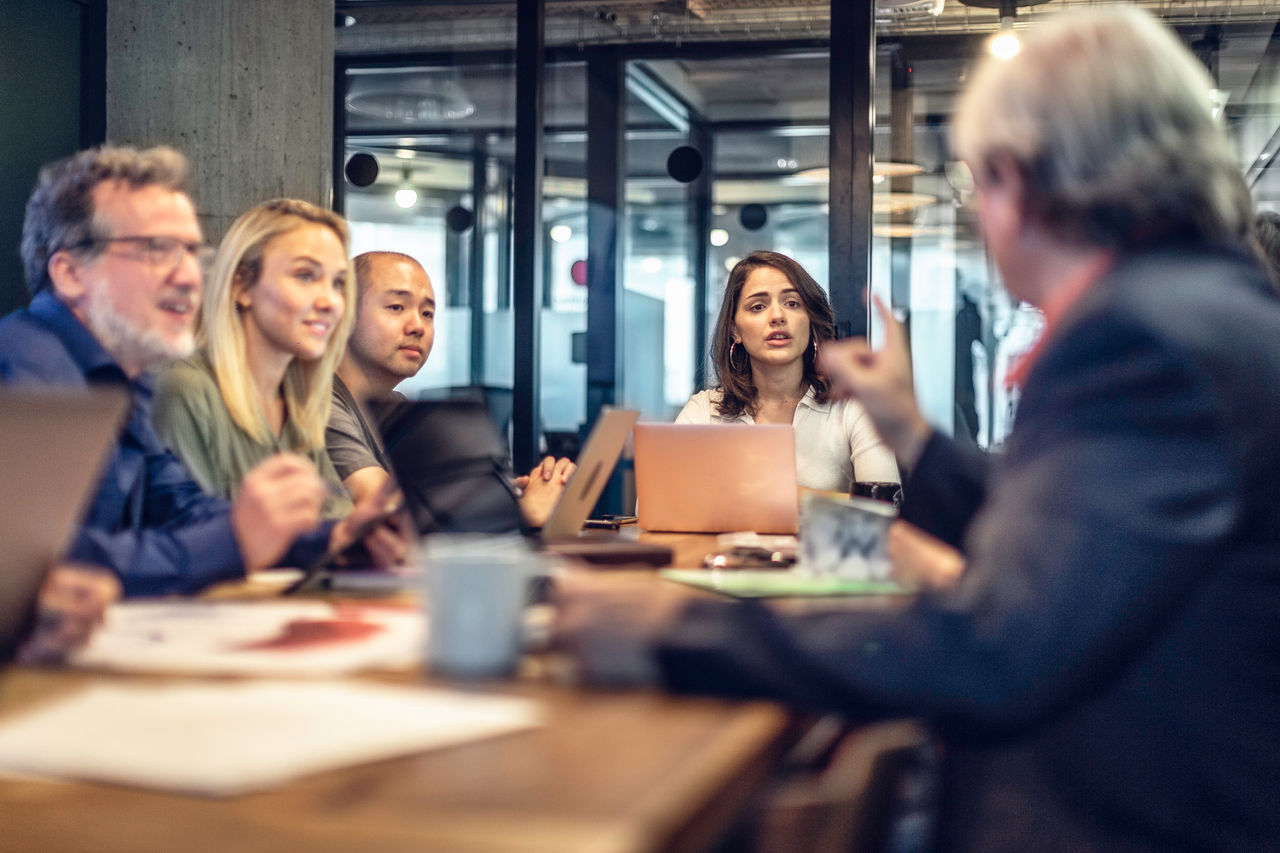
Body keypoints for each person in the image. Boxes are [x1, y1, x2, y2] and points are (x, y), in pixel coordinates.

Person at [555, 8, 1280, 850]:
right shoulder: (1201, 308)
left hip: (1122, 814)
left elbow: (1000, 645)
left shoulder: (1144, 339)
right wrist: (923, 441)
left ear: (1020, 178)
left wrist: (676, 630)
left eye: (976, 184)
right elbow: (1076, 535)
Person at [0, 146, 396, 595]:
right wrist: (236, 539)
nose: (190, 276)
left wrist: (330, 538)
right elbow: (37, 561)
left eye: (191, 252)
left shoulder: (130, 380)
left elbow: (180, 509)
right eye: (158, 249)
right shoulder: (24, 372)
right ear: (71, 273)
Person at [325, 251, 573, 527]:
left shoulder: (394, 406)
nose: (418, 326)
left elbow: (434, 503)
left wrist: (502, 500)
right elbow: (394, 513)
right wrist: (520, 514)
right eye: (396, 307)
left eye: (428, 313)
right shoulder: (321, 404)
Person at [153, 199, 355, 517]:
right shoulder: (185, 390)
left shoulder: (299, 407)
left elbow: (339, 520)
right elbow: (191, 542)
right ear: (241, 286)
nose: (330, 300)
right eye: (305, 275)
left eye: (338, 283)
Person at [676, 251, 897, 493]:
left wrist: (779, 494)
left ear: (810, 320)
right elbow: (654, 506)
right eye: (758, 306)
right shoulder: (705, 411)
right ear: (734, 330)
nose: (778, 316)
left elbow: (885, 511)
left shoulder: (852, 407)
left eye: (792, 304)